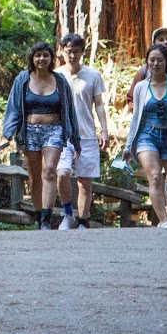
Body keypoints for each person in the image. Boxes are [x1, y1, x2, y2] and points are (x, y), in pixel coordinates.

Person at [0, 41, 83, 229]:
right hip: (29, 131)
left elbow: (70, 111)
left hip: (54, 130)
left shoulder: (60, 81)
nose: (41, 59)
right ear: (32, 58)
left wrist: (75, 139)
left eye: (46, 55)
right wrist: (9, 131)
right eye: (38, 55)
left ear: (51, 58)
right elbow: (13, 106)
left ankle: (46, 219)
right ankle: (39, 217)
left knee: (50, 171)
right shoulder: (23, 79)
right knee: (35, 177)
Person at [122, 43, 167, 227]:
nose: (155, 64)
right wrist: (128, 145)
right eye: (151, 60)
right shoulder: (141, 87)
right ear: (147, 62)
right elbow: (136, 118)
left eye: (160, 60)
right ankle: (163, 220)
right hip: (147, 136)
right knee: (154, 176)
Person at [54, 32, 108, 230]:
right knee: (62, 173)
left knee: (84, 181)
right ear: (62, 51)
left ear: (82, 52)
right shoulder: (56, 76)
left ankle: (83, 220)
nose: (72, 56)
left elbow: (99, 104)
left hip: (87, 134)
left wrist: (104, 131)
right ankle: (67, 213)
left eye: (76, 51)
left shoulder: (92, 75)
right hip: (62, 134)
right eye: (68, 51)